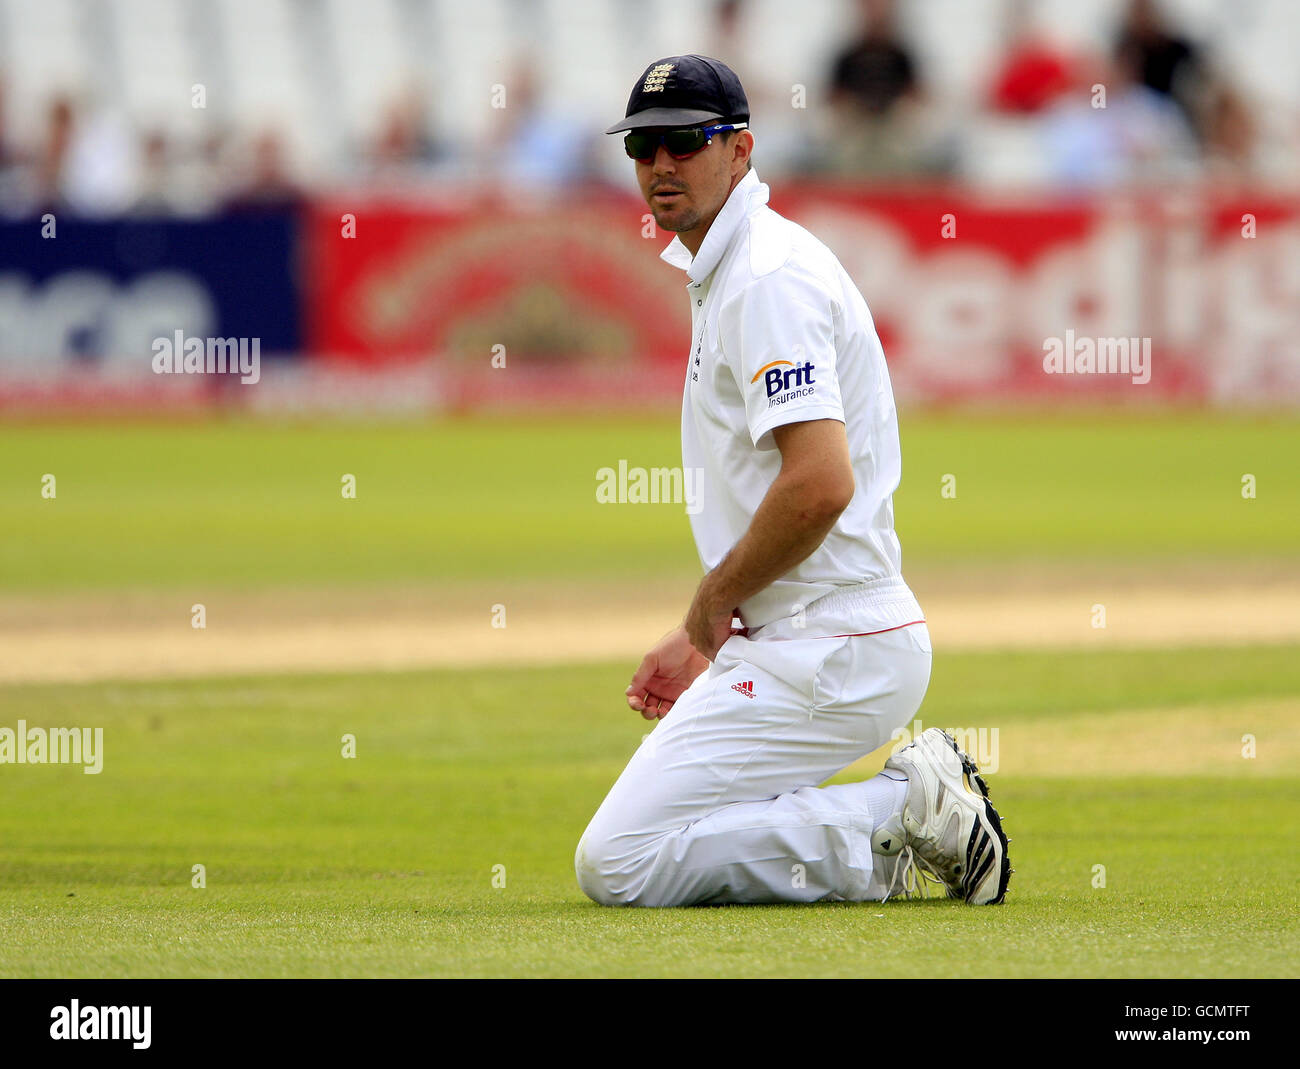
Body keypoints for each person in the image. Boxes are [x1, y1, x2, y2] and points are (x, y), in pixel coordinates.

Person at [574, 55, 1011, 908]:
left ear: (740, 149)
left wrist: (715, 599)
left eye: (686, 141)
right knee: (642, 849)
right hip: (808, 638)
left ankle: (901, 813)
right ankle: (894, 820)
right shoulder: (734, 268)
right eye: (644, 147)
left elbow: (819, 484)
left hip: (831, 649)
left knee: (621, 860)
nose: (662, 165)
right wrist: (705, 631)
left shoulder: (764, 277)